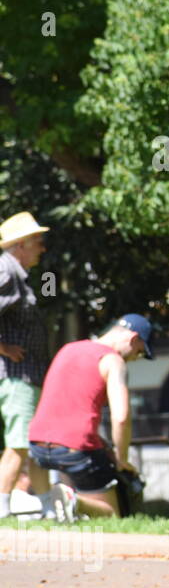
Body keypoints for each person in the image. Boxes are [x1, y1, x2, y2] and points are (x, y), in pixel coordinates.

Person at [26, 315, 154, 518]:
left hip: (37, 447)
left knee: (69, 494)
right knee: (112, 515)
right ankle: (73, 501)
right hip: (75, 449)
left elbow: (64, 407)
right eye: (139, 352)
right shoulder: (113, 361)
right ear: (133, 338)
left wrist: (104, 446)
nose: (134, 359)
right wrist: (122, 459)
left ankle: (51, 508)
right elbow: (121, 417)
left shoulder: (68, 349)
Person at [0, 212, 52, 518]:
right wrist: (3, 347)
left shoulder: (15, 273)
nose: (42, 249)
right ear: (21, 245)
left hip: (26, 375)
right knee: (19, 445)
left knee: (34, 445)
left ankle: (49, 509)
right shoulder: (6, 272)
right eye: (38, 242)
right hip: (16, 376)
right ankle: (2, 512)